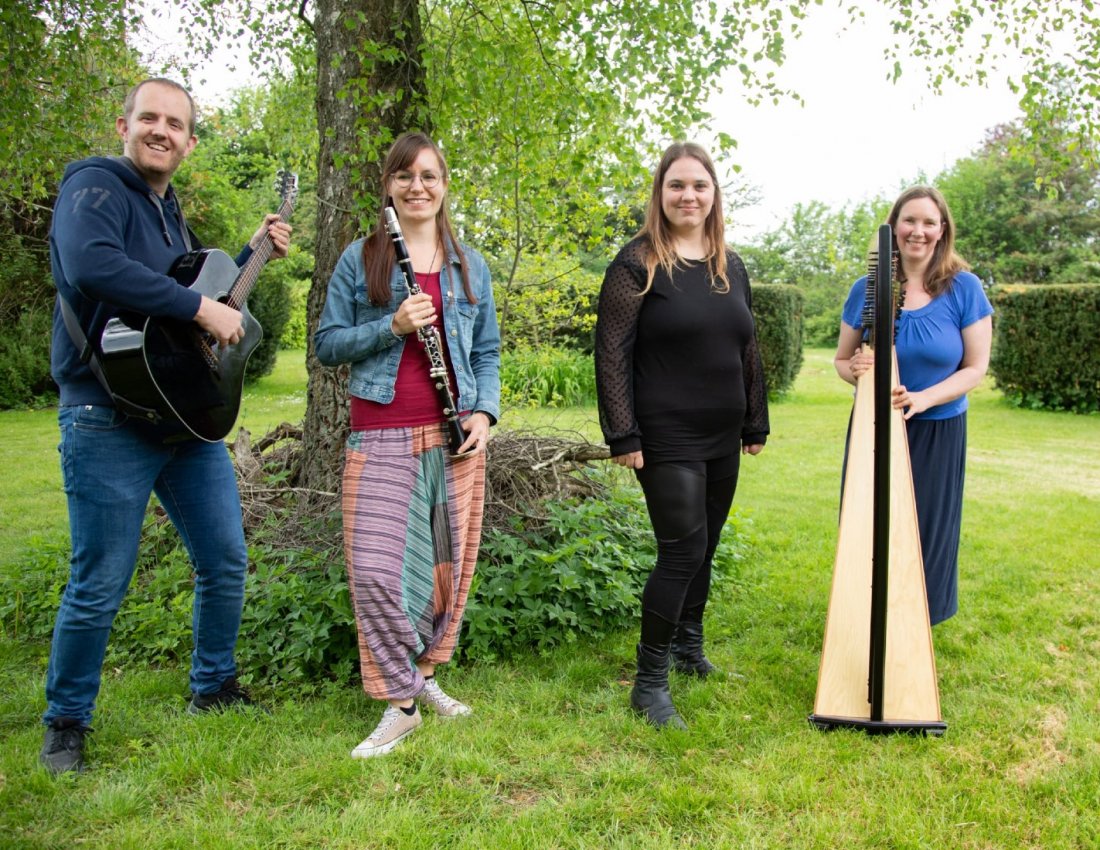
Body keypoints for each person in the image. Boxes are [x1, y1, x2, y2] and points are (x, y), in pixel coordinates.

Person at [41, 78, 292, 775]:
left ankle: (213, 687)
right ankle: (66, 723)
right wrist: (196, 308)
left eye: (176, 124)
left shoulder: (167, 211)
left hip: (182, 420)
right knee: (100, 580)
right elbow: (93, 268)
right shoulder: (96, 186)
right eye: (149, 118)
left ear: (188, 140)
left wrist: (248, 259)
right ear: (123, 123)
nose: (162, 131)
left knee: (225, 560)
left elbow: (199, 306)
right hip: (106, 417)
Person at [315, 132, 501, 758]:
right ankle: (400, 704)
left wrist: (485, 414)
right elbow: (327, 344)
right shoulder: (361, 258)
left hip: (455, 438)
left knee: (446, 573)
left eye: (430, 175)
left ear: (445, 185)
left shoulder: (470, 265)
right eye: (405, 175)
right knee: (374, 572)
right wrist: (391, 325)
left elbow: (486, 353)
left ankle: (423, 678)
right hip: (381, 433)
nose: (418, 186)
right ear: (389, 184)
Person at [594, 142, 769, 730]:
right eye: (677, 186)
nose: (688, 196)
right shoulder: (637, 263)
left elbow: (746, 345)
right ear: (660, 195)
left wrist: (755, 420)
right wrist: (622, 432)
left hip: (722, 432)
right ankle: (648, 683)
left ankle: (689, 647)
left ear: (713, 194)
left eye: (699, 185)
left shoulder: (730, 265)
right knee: (682, 552)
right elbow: (611, 351)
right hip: (665, 435)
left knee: (707, 546)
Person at [834, 185, 993, 626]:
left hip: (937, 428)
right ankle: (870, 618)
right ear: (893, 227)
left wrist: (923, 398)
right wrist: (860, 371)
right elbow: (842, 361)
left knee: (927, 533)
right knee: (869, 528)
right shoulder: (867, 289)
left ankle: (917, 624)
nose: (917, 231)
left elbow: (975, 368)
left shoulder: (964, 288)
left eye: (928, 222)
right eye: (909, 221)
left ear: (942, 231)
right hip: (875, 430)